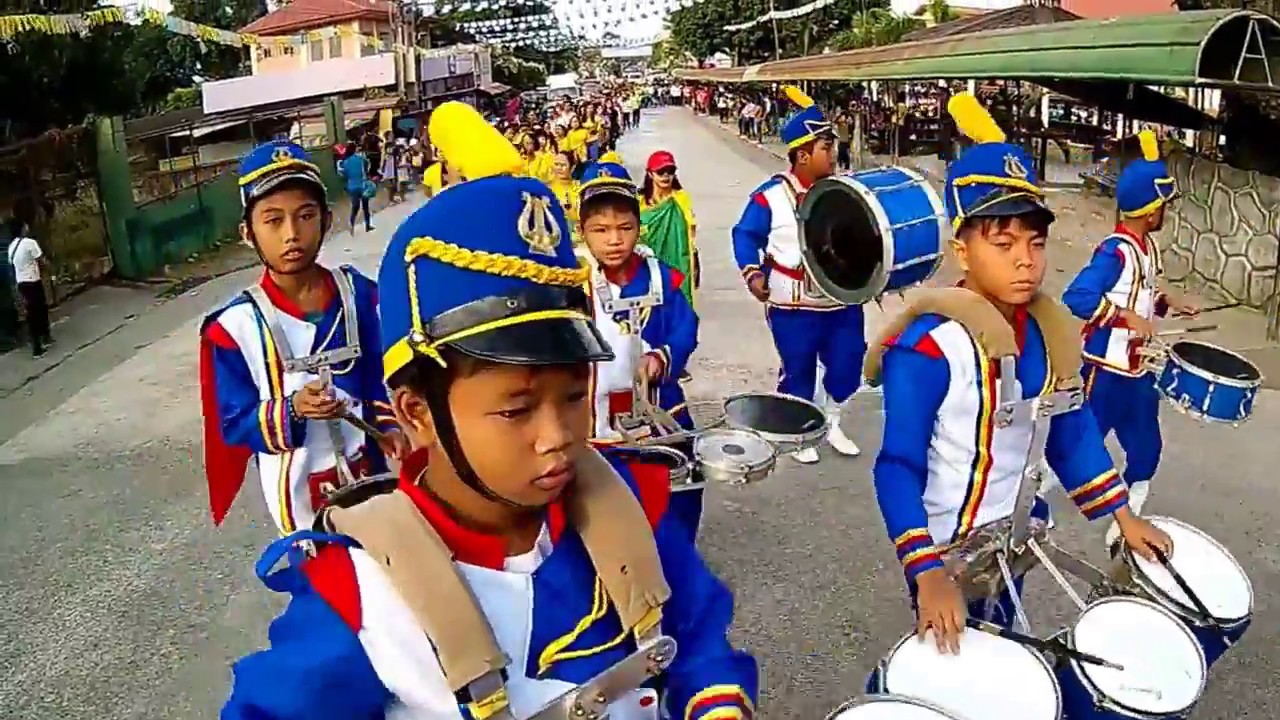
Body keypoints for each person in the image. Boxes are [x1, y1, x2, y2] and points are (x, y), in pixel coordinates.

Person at [219, 101, 757, 719]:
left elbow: (699, 644)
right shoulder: (360, 597)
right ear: (417, 413)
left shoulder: (635, 509)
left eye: (573, 397)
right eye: (516, 409)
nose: (557, 437)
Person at [866, 94, 1173, 657]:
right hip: (942, 548)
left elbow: (1071, 434)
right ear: (962, 250)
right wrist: (926, 571)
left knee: (1006, 641)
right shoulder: (928, 348)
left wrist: (1123, 516)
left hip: (1015, 532)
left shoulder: (1048, 337)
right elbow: (897, 465)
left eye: (1035, 243)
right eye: (1002, 244)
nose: (1025, 260)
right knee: (953, 664)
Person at [199, 141, 406, 535]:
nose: (291, 234)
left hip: (372, 472)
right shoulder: (233, 329)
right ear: (248, 232)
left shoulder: (359, 294)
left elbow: (384, 372)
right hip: (298, 494)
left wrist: (390, 427)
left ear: (326, 221)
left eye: (305, 215)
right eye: (273, 220)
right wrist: (292, 407)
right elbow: (235, 423)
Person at [1062, 129, 1196, 543]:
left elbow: (1138, 296)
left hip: (1137, 370)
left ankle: (1128, 518)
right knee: (1075, 446)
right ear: (1150, 210)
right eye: (1164, 206)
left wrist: (1166, 301)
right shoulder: (1114, 251)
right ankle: (1035, 505)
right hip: (1104, 370)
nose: (1167, 212)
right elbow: (1077, 297)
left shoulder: (1146, 249)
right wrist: (1122, 317)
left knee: (1147, 447)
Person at [730, 85, 865, 464]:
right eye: (826, 148)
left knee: (847, 365)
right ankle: (803, 429)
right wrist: (753, 274)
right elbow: (745, 234)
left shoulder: (846, 192)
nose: (833, 155)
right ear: (803, 155)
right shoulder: (770, 196)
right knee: (799, 369)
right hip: (792, 302)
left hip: (841, 299)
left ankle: (833, 419)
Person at [575, 159, 702, 542]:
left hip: (656, 406)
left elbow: (685, 324)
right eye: (601, 230)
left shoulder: (659, 276)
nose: (614, 240)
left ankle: (675, 557)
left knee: (679, 487)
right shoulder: (569, 281)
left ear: (638, 226)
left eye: (624, 228)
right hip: (589, 420)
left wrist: (664, 355)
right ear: (582, 231)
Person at [640, 150, 698, 308]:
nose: (666, 176)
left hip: (679, 263)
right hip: (648, 265)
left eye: (670, 171)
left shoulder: (681, 199)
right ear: (650, 174)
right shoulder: (639, 203)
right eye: (660, 172)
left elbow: (690, 230)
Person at [7, 220, 52, 357]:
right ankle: (40, 343)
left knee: (32, 311)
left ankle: (41, 339)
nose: (27, 227)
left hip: (22, 283)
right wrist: (47, 271)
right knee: (39, 310)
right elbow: (41, 260)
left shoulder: (11, 247)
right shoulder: (30, 243)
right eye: (25, 225)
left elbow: (12, 267)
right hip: (33, 281)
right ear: (22, 229)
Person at [338, 142, 374, 233]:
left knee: (355, 207)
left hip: (352, 186)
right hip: (363, 185)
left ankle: (352, 225)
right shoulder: (361, 159)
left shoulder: (345, 162)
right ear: (355, 149)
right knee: (365, 207)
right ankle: (368, 225)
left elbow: (344, 174)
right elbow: (367, 167)